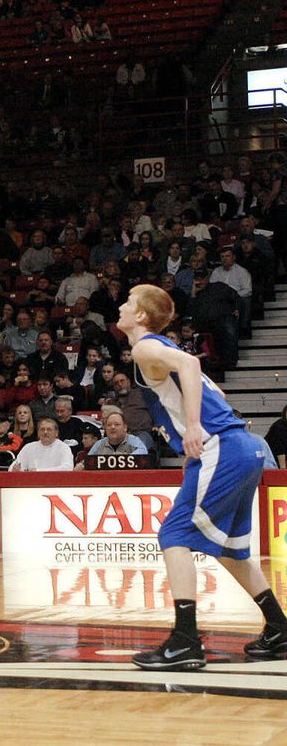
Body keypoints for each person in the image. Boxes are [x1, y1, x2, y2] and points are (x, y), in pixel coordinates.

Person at [118, 284, 287, 670]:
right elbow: (219, 395)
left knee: (174, 535)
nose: (122, 307)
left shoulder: (145, 347)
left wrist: (192, 425)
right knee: (231, 549)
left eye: (129, 302)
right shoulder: (160, 347)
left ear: (142, 316)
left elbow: (192, 367)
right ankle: (279, 627)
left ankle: (185, 641)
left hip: (221, 448)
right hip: (245, 447)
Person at [10, 417, 74, 471]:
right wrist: (14, 469)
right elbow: (14, 467)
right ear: (38, 432)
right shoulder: (29, 447)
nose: (45, 432)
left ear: (56, 433)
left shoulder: (64, 447)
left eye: (49, 429)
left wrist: (39, 471)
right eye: (42, 429)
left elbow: (68, 468)